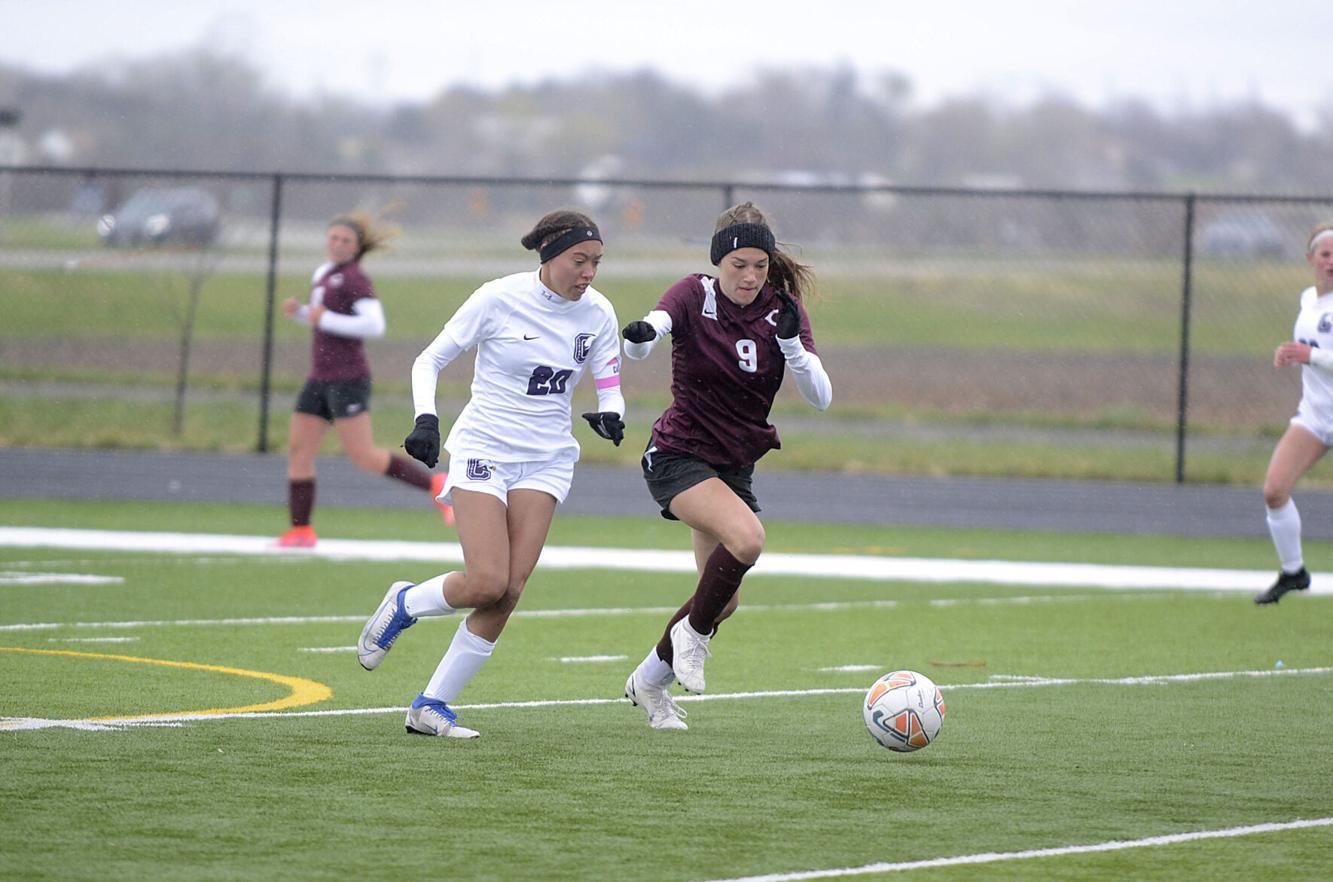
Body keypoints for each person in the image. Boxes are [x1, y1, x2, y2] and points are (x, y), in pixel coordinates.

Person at [354, 209, 625, 738]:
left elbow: (609, 376)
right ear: (549, 257)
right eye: (579, 260)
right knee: (485, 580)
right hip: (486, 448)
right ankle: (405, 603)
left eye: (596, 261)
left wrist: (611, 412)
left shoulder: (599, 313)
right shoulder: (497, 298)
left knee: (510, 590)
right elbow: (428, 360)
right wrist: (426, 419)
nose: (589, 272)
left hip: (547, 459)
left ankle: (430, 706)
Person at [619, 202, 833, 730]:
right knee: (749, 539)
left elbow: (822, 397)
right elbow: (652, 330)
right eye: (739, 264)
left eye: (760, 265)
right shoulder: (694, 293)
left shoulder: (783, 310)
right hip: (677, 455)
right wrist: (642, 334)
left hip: (733, 467)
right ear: (719, 261)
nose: (750, 276)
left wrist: (791, 346)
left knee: (723, 602)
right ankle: (690, 638)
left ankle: (648, 682)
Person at [276, 212, 454, 548]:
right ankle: (301, 530)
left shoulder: (356, 279)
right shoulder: (324, 274)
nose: (338, 244)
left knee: (364, 456)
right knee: (299, 451)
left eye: (345, 240)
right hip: (320, 377)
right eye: (333, 238)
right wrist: (301, 314)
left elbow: (373, 326)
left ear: (357, 248)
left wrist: (324, 317)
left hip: (348, 378)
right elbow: (324, 322)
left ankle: (435, 486)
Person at [1256, 222, 1333, 604]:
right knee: (1274, 490)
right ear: (1311, 260)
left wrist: (1311, 356)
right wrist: (1290, 353)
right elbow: (1309, 346)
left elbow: (1316, 354)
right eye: (1326, 254)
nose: (1332, 262)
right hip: (1318, 417)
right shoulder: (1307, 300)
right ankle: (1293, 572)